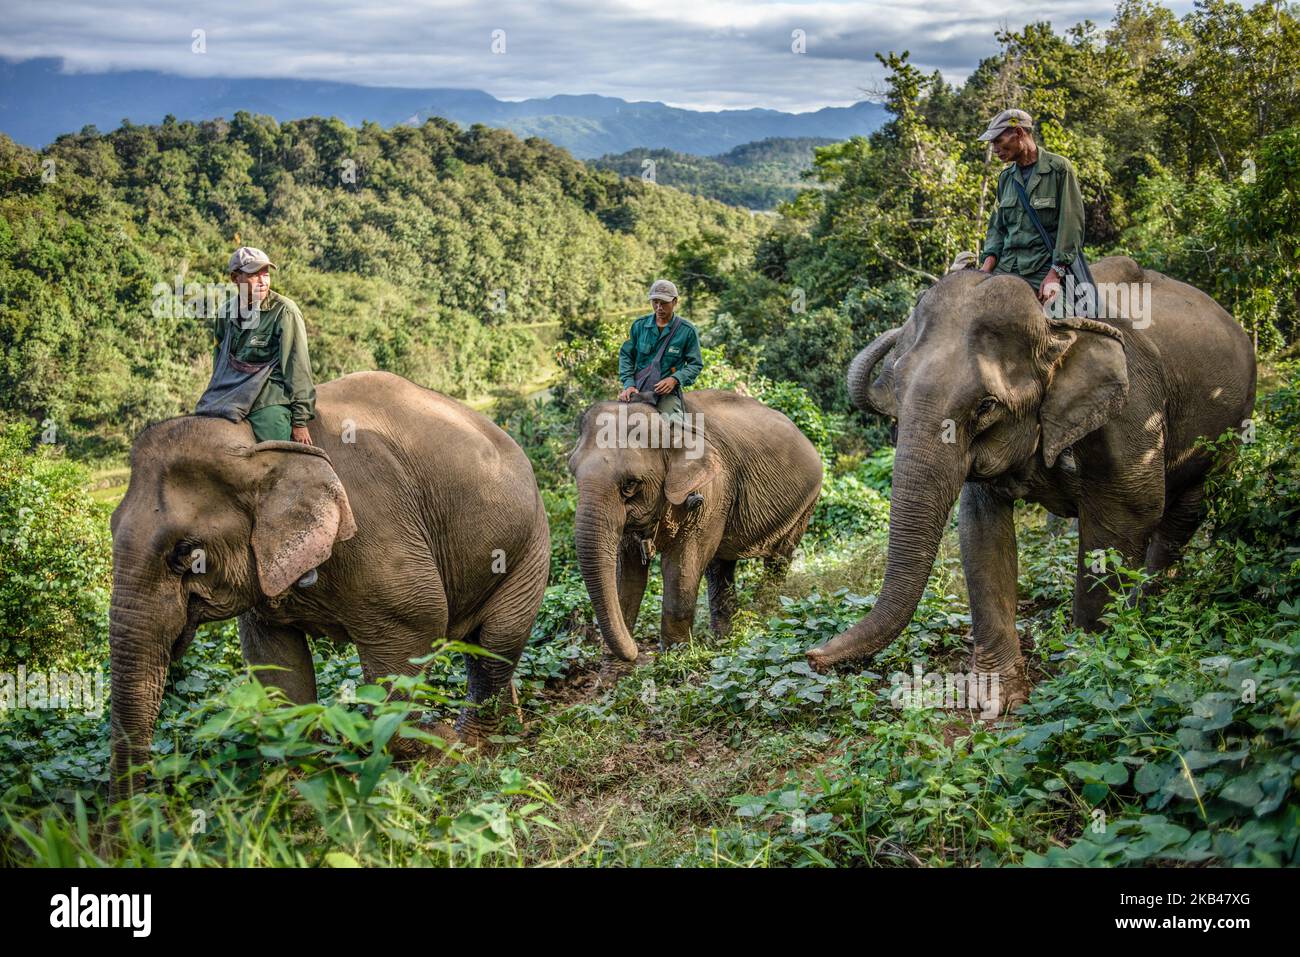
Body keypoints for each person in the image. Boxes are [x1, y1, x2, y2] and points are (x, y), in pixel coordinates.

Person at [196, 246, 316, 444]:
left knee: (273, 455)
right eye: (254, 275)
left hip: (268, 396)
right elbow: (220, 365)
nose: (263, 281)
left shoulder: (284, 312)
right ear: (236, 279)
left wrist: (300, 421)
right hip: (231, 393)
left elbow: (298, 367)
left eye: (266, 274)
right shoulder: (225, 313)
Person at [977, 109, 1086, 307]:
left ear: (1018, 132)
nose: (994, 149)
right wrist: (985, 270)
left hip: (1043, 269)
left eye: (998, 141)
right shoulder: (1006, 178)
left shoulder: (1059, 169)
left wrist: (1056, 274)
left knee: (1062, 324)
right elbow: (996, 229)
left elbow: (1071, 225)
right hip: (1006, 267)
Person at [617, 278, 705, 508]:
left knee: (676, 433)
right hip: (638, 390)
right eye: (655, 302)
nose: (659, 307)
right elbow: (627, 356)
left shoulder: (686, 331)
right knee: (610, 429)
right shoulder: (639, 327)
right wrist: (628, 384)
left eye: (664, 303)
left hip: (665, 394)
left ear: (675, 302)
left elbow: (695, 364)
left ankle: (687, 489)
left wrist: (675, 379)